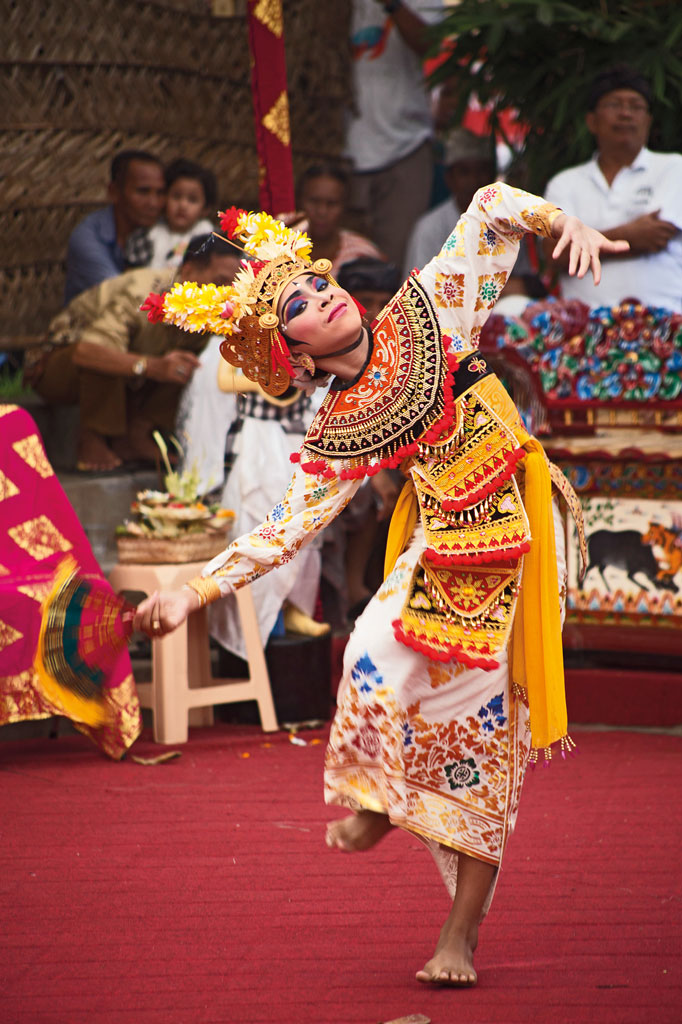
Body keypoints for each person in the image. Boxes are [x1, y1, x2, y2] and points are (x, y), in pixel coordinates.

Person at [133, 189, 627, 985]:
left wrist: (559, 222)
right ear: (293, 353)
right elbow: (284, 530)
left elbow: (491, 205)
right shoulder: (337, 427)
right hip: (439, 544)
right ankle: (372, 802)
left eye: (319, 282)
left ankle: (458, 937)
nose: (326, 294)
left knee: (481, 745)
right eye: (302, 302)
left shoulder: (427, 308)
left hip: (521, 535)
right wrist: (191, 592)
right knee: (365, 648)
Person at [30, 236, 241, 472]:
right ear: (189, 271)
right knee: (104, 351)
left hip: (132, 380)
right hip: (56, 367)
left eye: (232, 287)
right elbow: (87, 352)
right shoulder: (142, 293)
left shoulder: (216, 310)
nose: (226, 295)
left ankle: (135, 436)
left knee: (201, 362)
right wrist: (152, 367)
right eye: (220, 282)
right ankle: (92, 438)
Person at [544, 65, 682, 312]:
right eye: (614, 105)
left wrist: (585, 243)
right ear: (592, 121)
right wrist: (632, 234)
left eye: (636, 106)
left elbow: (655, 237)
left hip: (663, 327)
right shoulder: (565, 183)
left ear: (648, 121)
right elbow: (556, 254)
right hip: (582, 333)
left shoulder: (674, 168)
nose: (625, 114)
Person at [345, 0, 444, 267]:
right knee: (340, 264)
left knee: (394, 267)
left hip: (405, 146)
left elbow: (431, 44)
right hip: (341, 149)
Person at [64, 149, 165, 303]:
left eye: (160, 193)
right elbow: (123, 297)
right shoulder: (87, 238)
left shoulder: (164, 231)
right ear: (114, 192)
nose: (154, 203)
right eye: (143, 192)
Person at [404, 129, 496, 277]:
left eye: (481, 171)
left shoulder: (505, 222)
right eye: (464, 172)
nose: (474, 181)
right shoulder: (430, 227)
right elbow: (418, 287)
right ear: (449, 179)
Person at [283, 163, 383, 276]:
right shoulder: (282, 245)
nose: (322, 211)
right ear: (300, 201)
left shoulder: (362, 254)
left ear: (345, 206)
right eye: (314, 201)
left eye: (332, 204)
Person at [126, 158, 217, 270]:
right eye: (176, 196)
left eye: (192, 200)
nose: (183, 205)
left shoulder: (214, 239)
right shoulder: (143, 239)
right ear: (164, 198)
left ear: (205, 208)